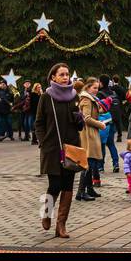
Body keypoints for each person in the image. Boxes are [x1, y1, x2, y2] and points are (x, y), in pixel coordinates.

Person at [36, 62, 80, 238]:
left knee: (68, 186)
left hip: (71, 147)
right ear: (53, 77)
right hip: (52, 148)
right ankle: (46, 213)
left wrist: (79, 119)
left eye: (67, 74)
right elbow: (39, 122)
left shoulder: (74, 96)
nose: (65, 77)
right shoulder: (46, 97)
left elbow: (78, 126)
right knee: (55, 184)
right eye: (61, 74)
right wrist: (42, 142)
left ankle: (61, 225)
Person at [75, 78, 106, 201]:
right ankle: (81, 192)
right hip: (88, 133)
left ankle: (89, 189)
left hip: (90, 132)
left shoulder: (90, 99)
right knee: (88, 163)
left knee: (91, 162)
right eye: (94, 88)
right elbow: (86, 118)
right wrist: (100, 124)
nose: (96, 90)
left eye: (98, 88)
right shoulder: (87, 99)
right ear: (87, 87)